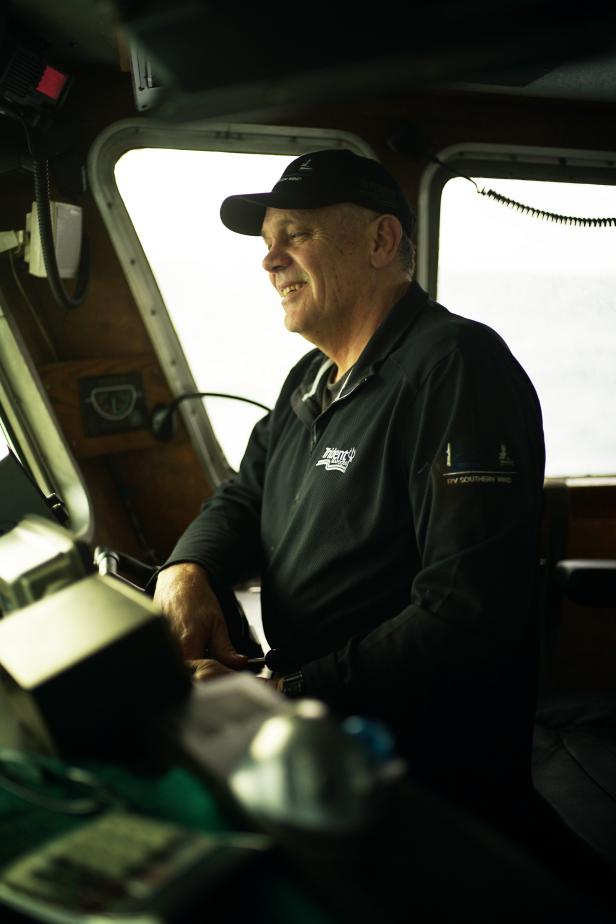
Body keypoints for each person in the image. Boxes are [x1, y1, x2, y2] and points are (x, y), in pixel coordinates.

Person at [154, 148, 545, 825]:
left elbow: (464, 611)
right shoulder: (309, 378)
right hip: (315, 723)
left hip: (419, 763)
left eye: (294, 236)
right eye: (268, 243)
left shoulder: (456, 368)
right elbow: (245, 495)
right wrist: (188, 567)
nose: (269, 260)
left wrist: (288, 689)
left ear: (381, 240)